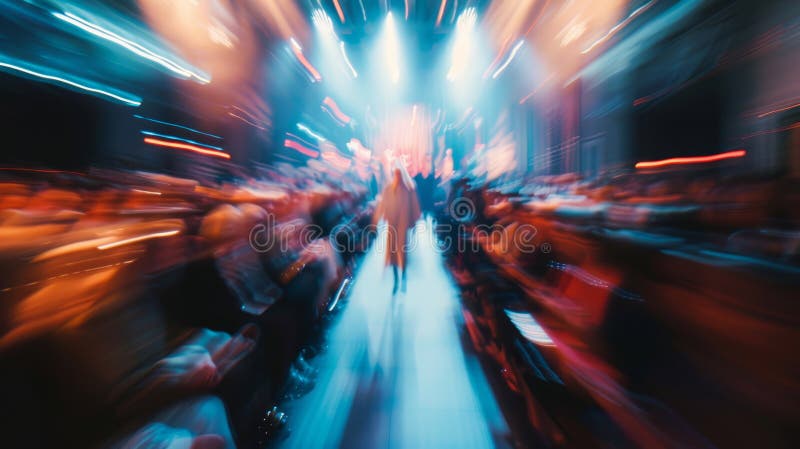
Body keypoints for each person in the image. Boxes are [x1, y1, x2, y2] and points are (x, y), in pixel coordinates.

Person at [374, 162, 421, 295]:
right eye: (396, 173)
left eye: (399, 173)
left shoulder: (409, 189)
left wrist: (413, 223)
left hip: (402, 225)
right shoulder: (389, 189)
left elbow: (414, 206)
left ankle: (404, 276)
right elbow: (382, 205)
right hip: (392, 226)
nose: (397, 176)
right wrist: (376, 220)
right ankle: (396, 280)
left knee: (403, 252)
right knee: (392, 253)